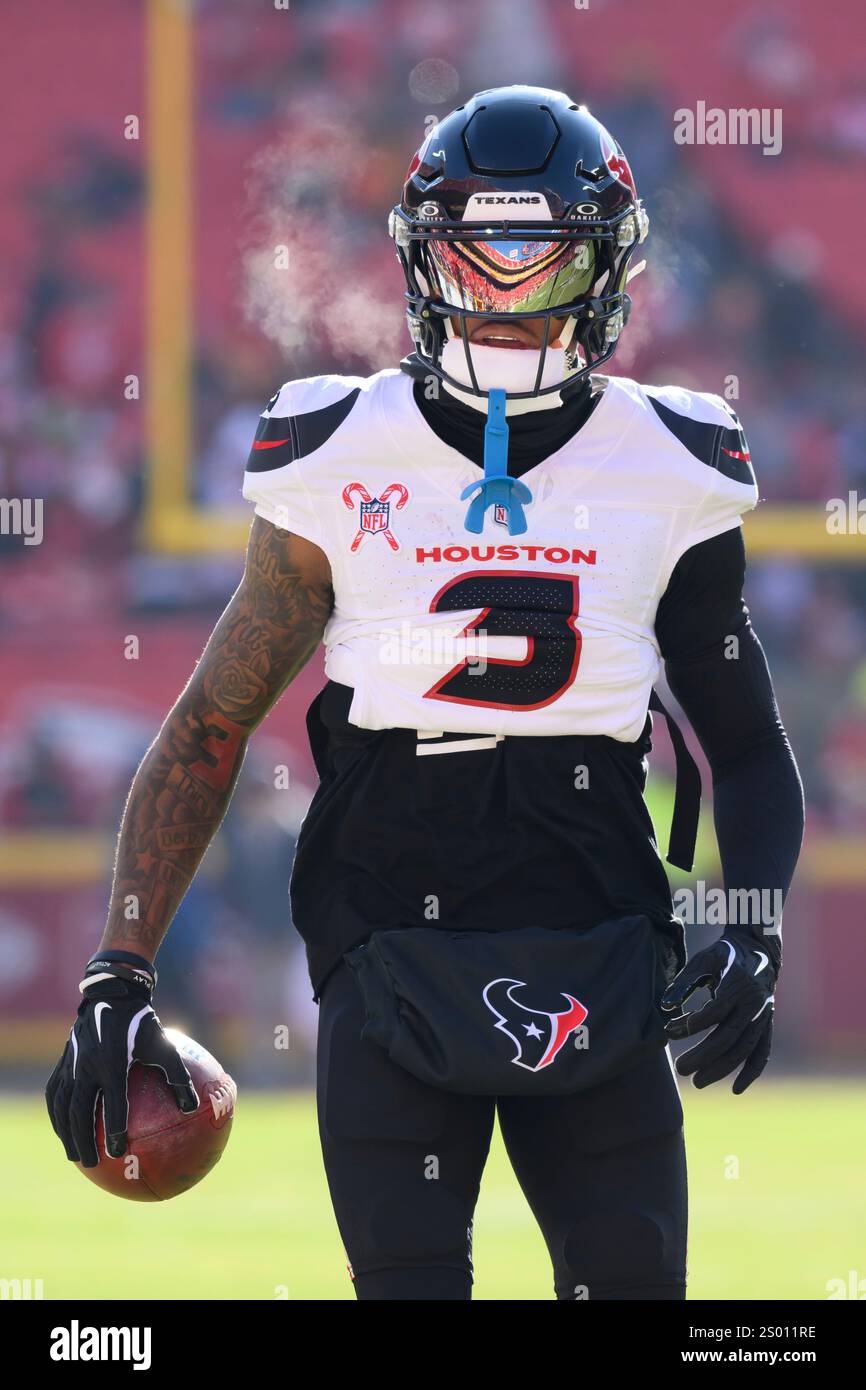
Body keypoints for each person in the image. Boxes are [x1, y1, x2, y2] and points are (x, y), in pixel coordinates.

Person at [46, 86, 804, 1301]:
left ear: (605, 268)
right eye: (478, 258)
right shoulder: (338, 447)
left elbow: (748, 749)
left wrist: (754, 924)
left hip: (599, 925)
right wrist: (117, 969)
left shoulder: (672, 463)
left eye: (543, 261)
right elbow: (212, 720)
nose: (507, 295)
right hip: (387, 926)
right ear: (419, 259)